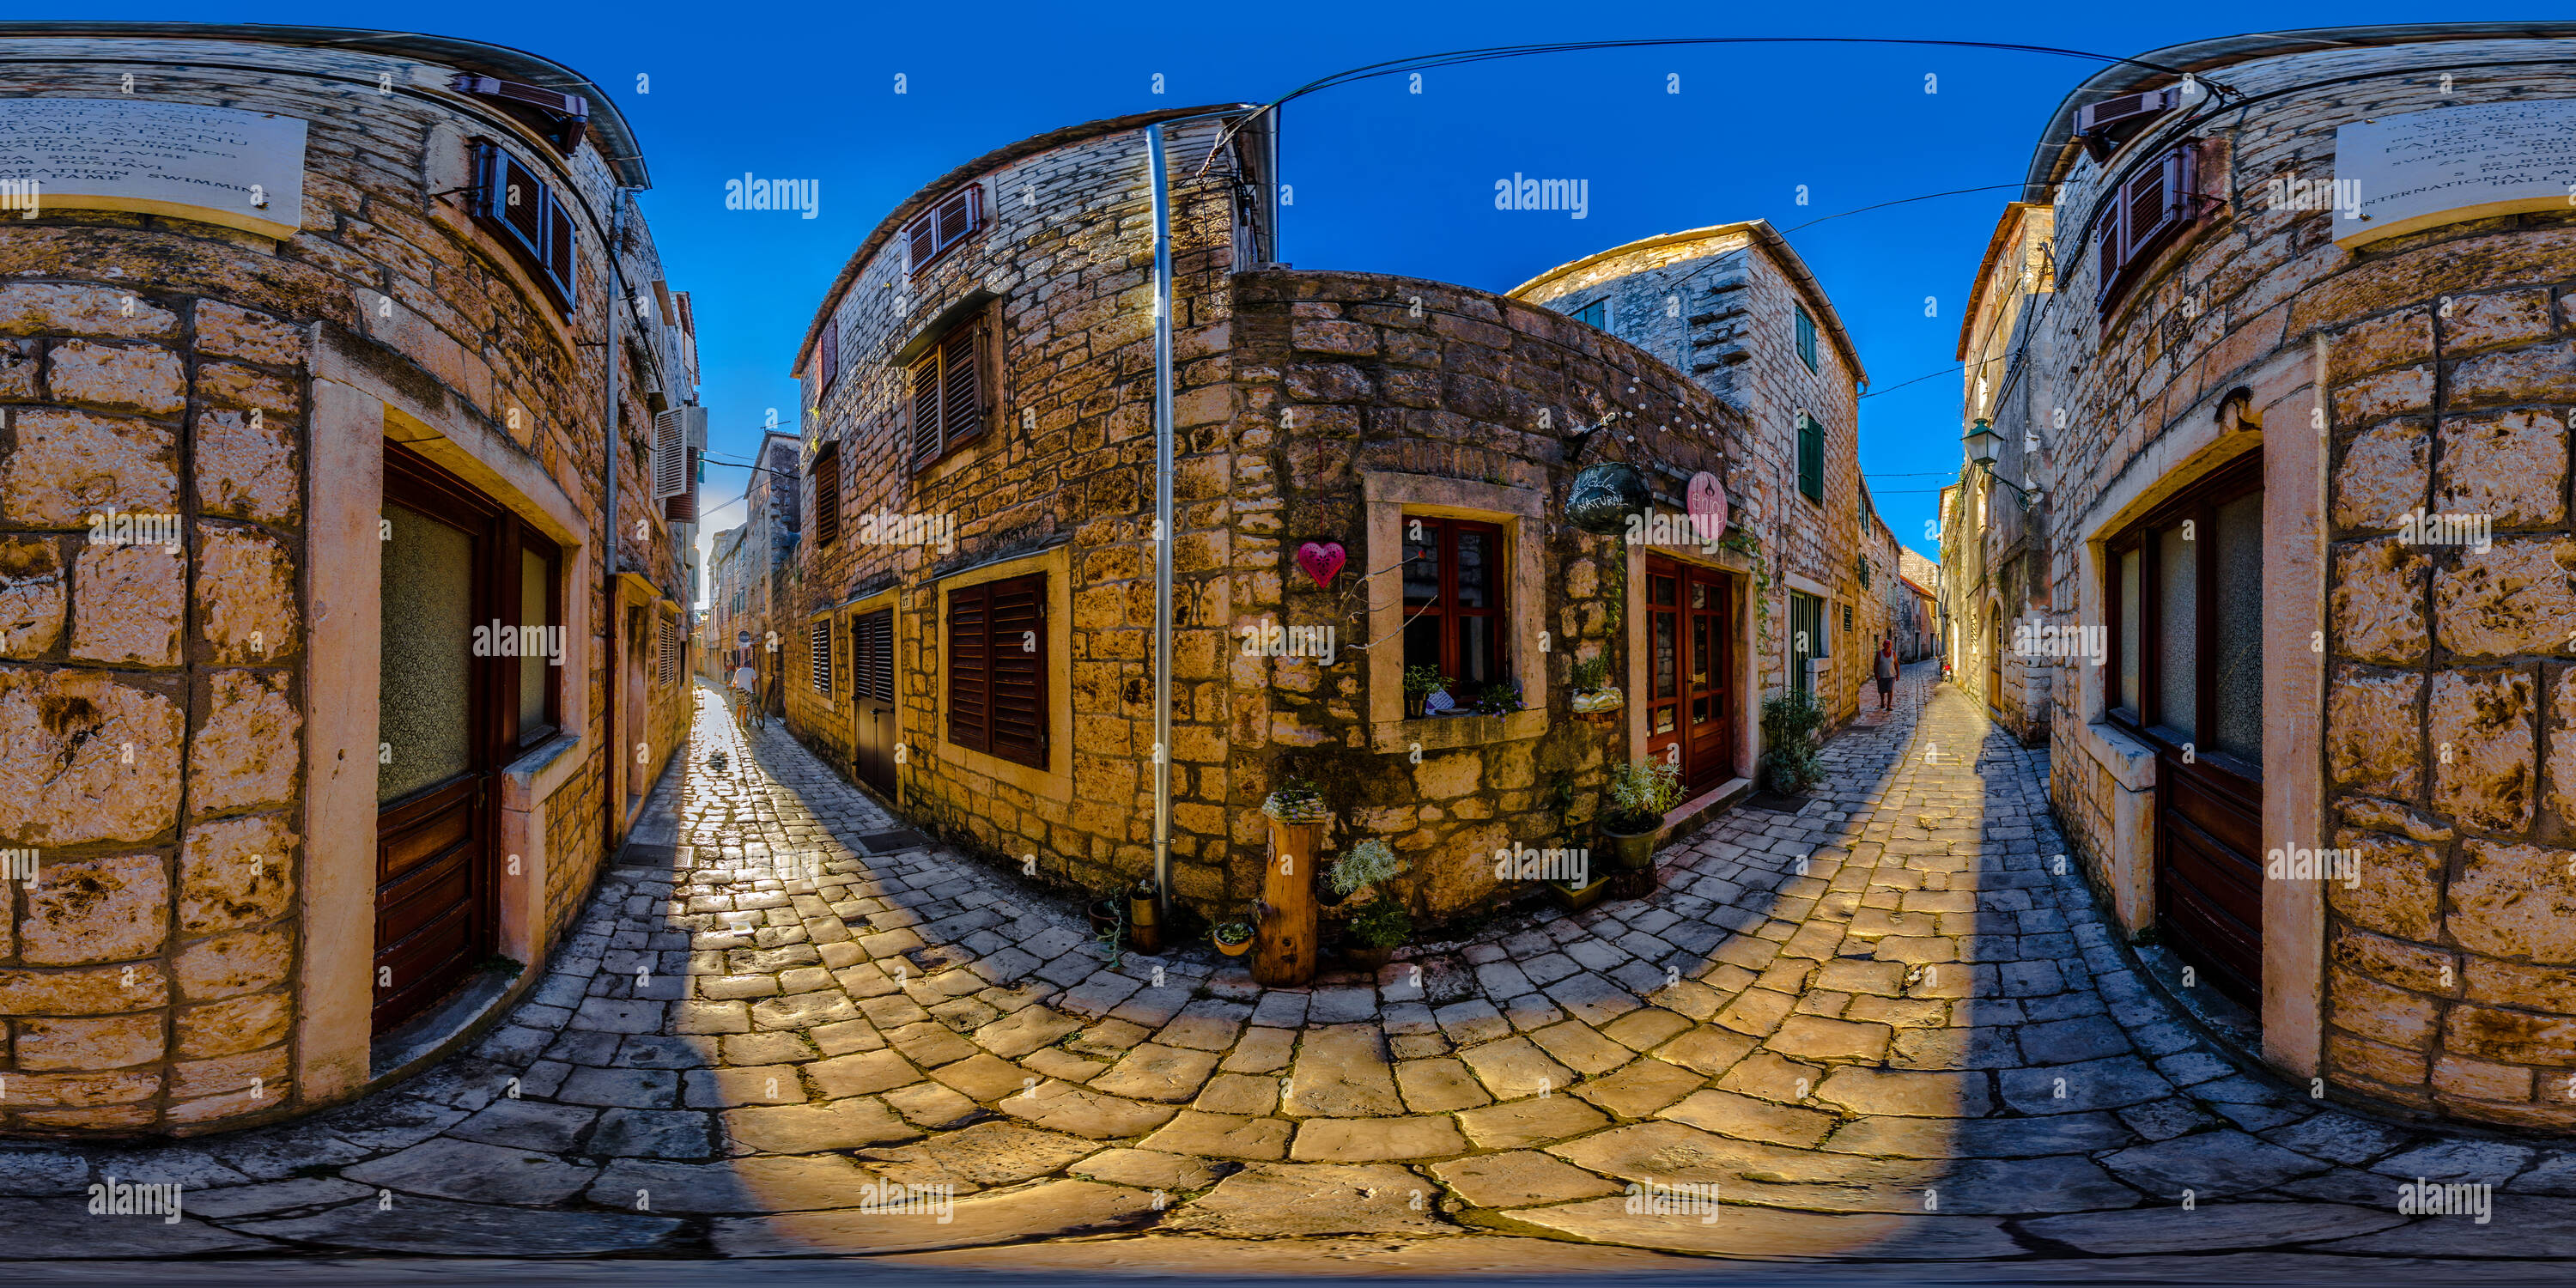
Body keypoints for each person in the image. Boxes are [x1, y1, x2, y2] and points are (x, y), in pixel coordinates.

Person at [731, 657, 761, 729]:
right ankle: (744, 723)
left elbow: (734, 683)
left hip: (739, 690)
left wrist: (738, 685)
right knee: (745, 708)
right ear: (750, 666)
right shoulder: (751, 670)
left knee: (739, 707)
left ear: (744, 665)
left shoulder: (738, 671)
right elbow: (755, 679)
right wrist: (750, 681)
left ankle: (738, 721)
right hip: (747, 691)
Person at [1874, 636, 1898, 711]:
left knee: (1890, 690)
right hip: (1881, 675)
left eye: (1889, 644)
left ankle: (1889, 705)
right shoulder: (1879, 654)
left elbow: (1896, 664)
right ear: (1883, 645)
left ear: (1890, 645)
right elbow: (1875, 665)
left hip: (1891, 675)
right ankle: (1882, 702)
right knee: (1882, 691)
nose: (1887, 646)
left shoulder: (1893, 653)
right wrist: (1876, 674)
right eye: (1886, 644)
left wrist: (1898, 674)